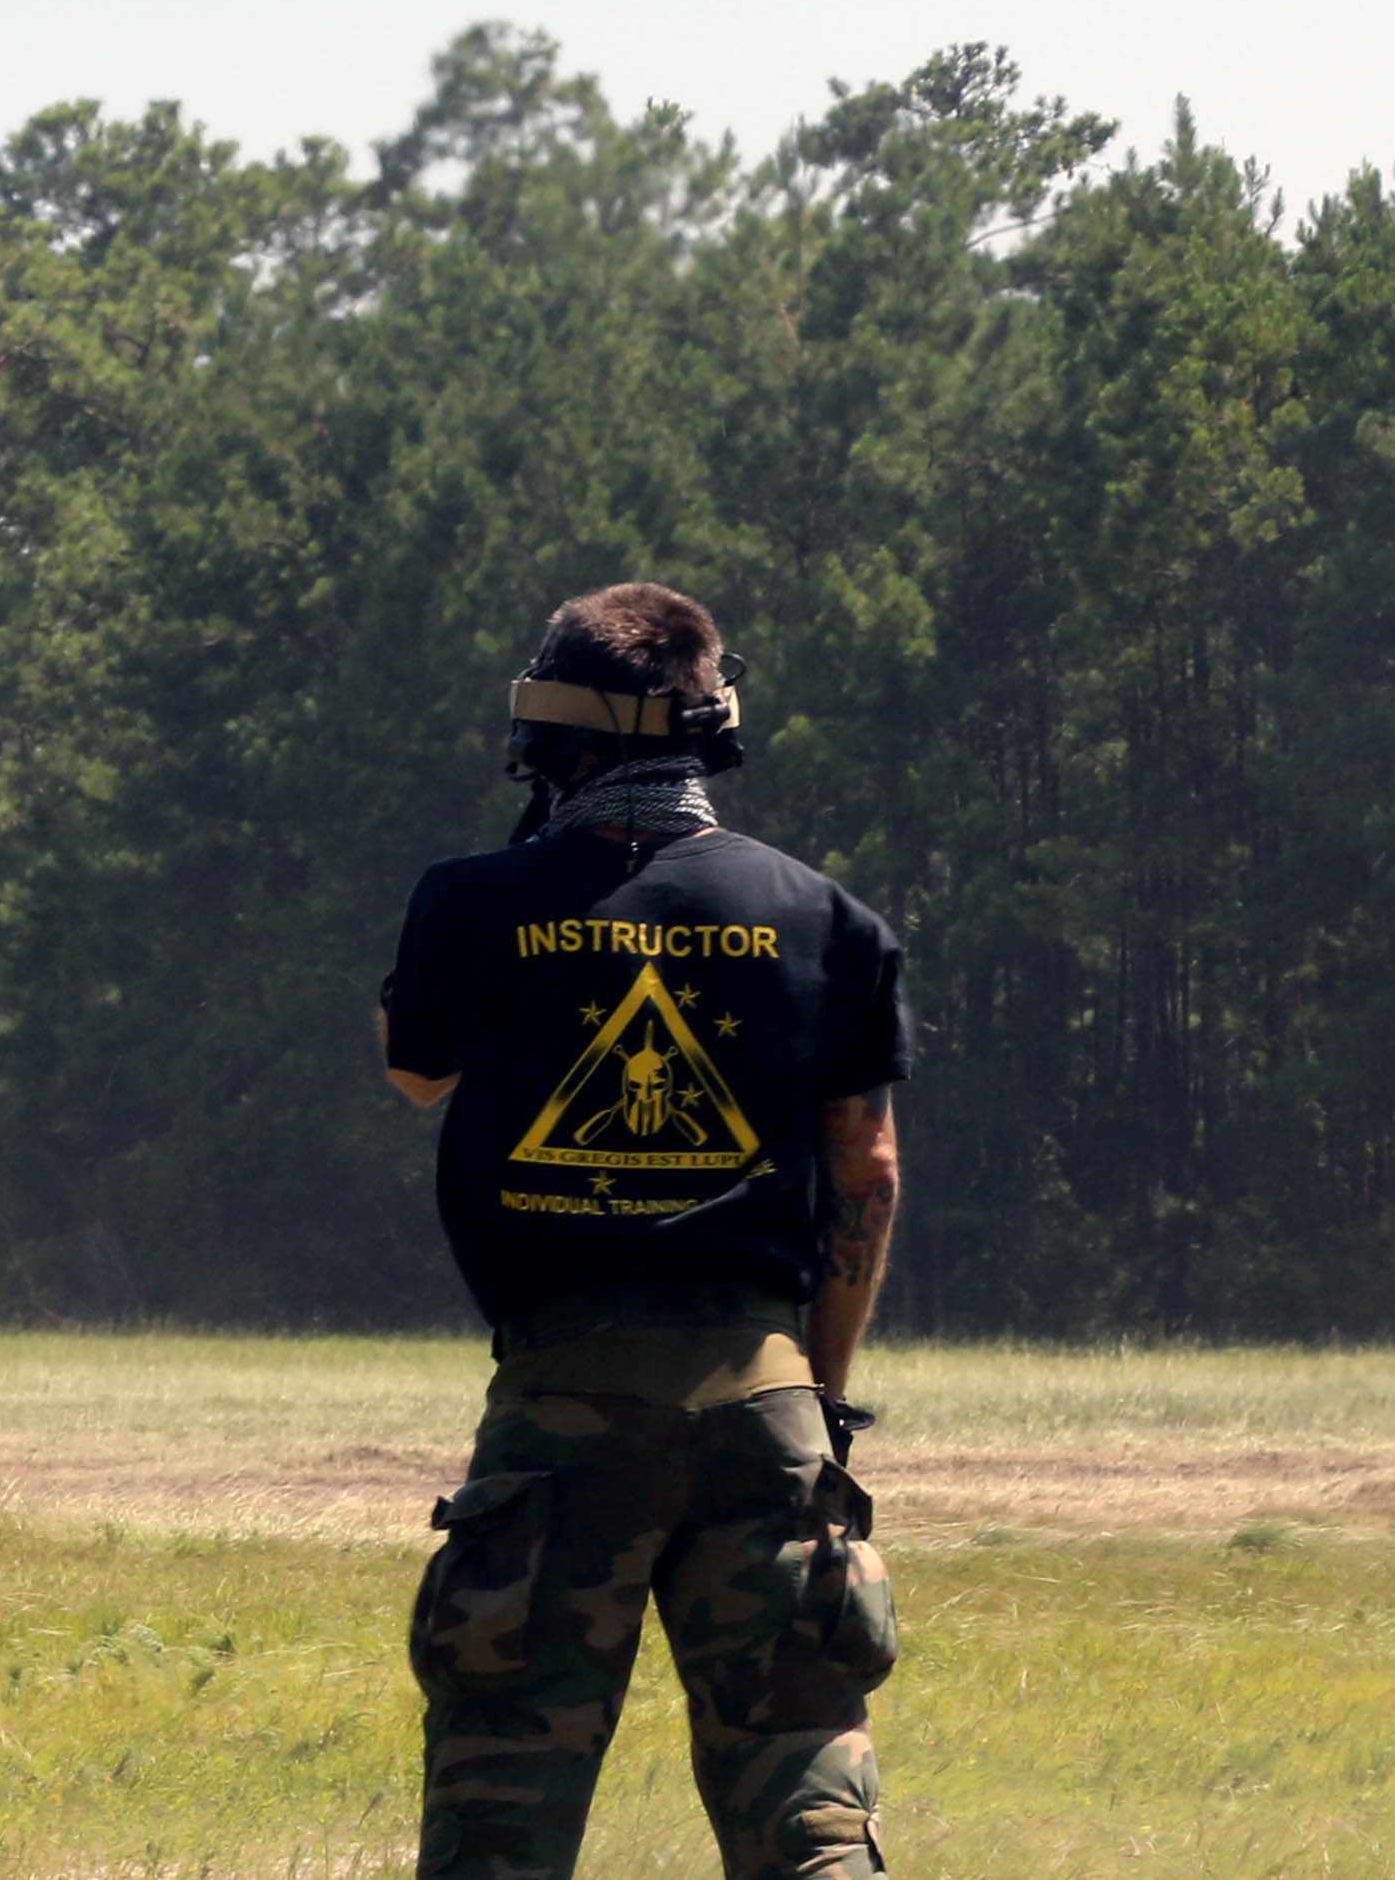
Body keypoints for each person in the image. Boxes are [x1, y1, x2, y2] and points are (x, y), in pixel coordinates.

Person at [378, 584, 914, 1880]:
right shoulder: (827, 918)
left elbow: (416, 1074)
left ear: (556, 738)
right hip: (768, 1408)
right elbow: (870, 1173)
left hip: (560, 1411)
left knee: (500, 1814)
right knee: (809, 1818)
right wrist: (821, 1398)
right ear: (712, 727)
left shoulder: (469, 899)